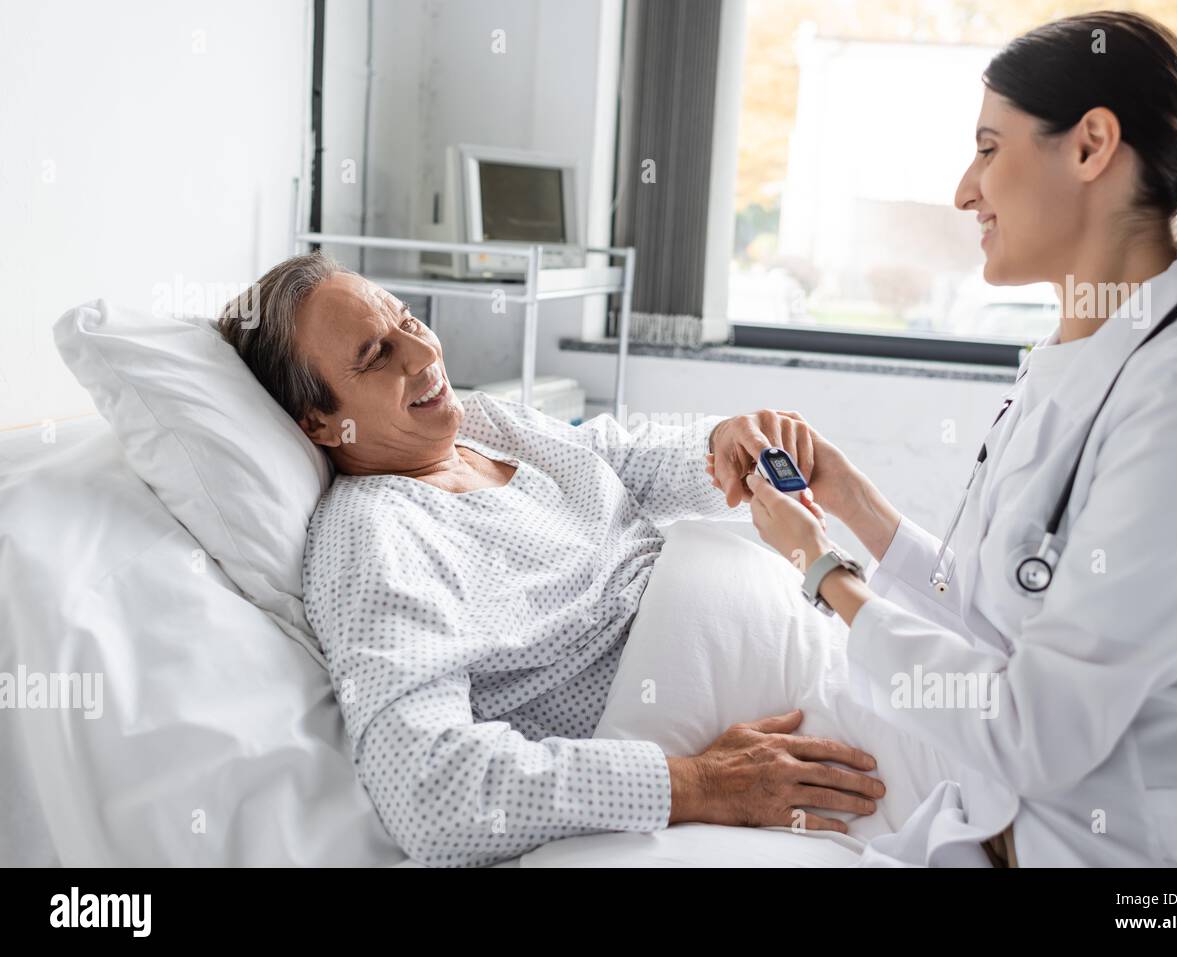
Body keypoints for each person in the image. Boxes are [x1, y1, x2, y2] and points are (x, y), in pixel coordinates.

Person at [724, 11, 1177, 867]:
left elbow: (1035, 728)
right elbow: (1004, 616)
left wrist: (821, 570)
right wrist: (854, 505)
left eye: (989, 149)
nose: (965, 190)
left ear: (1091, 145)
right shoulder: (1075, 359)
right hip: (1015, 828)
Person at [218, 258, 883, 867]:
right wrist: (702, 784)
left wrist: (721, 444)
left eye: (407, 319)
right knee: (973, 768)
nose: (423, 353)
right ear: (318, 423)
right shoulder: (373, 536)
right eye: (376, 355)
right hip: (772, 727)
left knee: (974, 695)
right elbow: (430, 790)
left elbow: (614, 460)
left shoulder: (480, 423)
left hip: (815, 644)